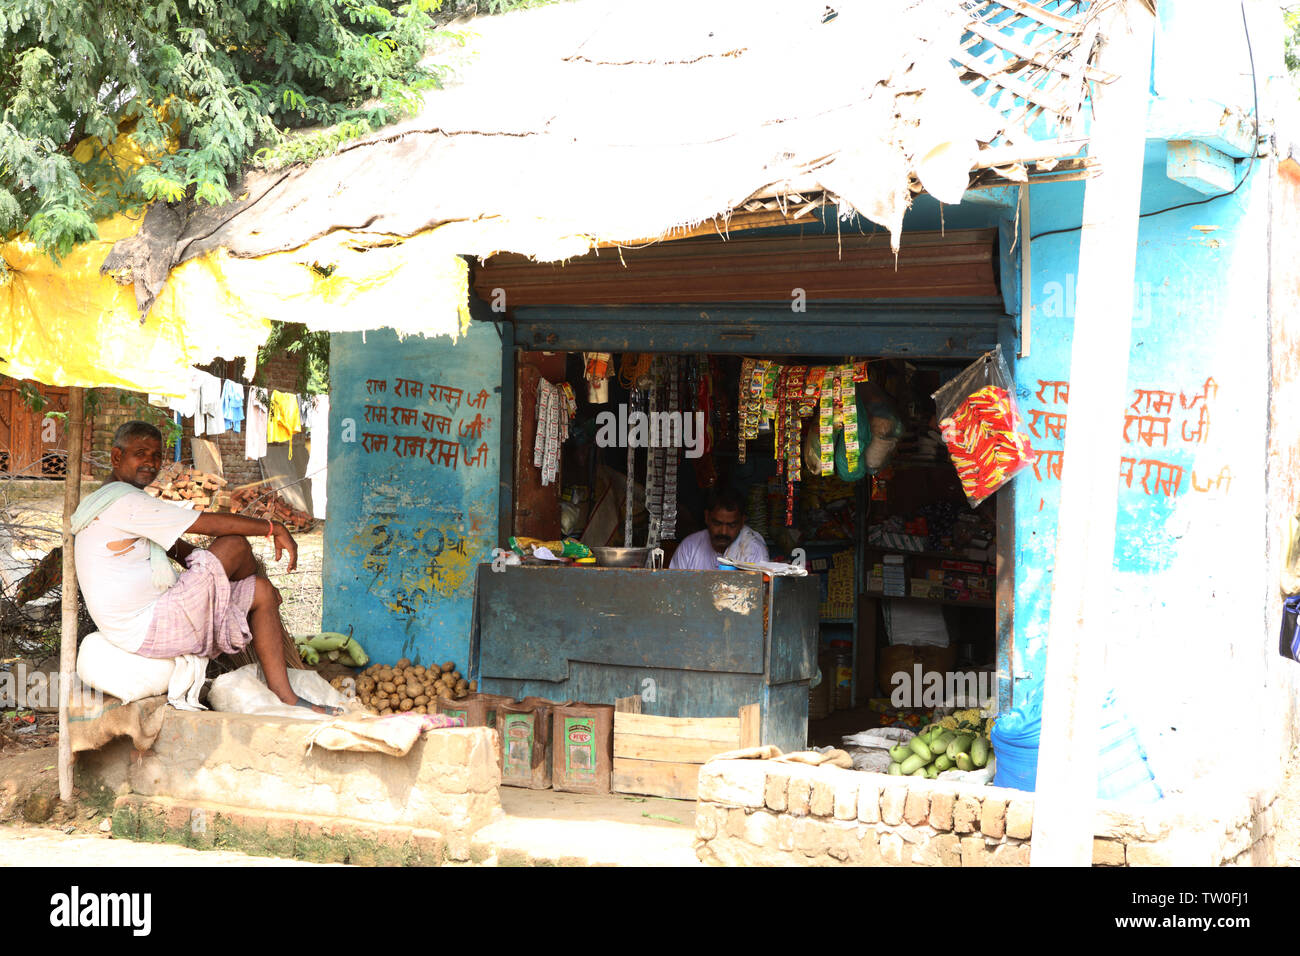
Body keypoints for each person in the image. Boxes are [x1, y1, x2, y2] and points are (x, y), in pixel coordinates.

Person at [72, 420, 337, 714]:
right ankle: (242, 604)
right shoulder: (126, 503)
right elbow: (208, 524)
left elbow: (178, 549)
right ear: (116, 457)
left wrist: (224, 582)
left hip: (149, 622)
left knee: (261, 591)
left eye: (156, 455)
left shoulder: (106, 500)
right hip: (149, 628)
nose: (150, 462)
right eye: (140, 453)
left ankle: (287, 696)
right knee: (234, 545)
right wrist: (272, 528)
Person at [669, 486, 769, 570]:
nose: (723, 532)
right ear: (707, 517)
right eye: (717, 523)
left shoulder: (754, 551)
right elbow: (674, 584)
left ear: (742, 521)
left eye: (731, 525)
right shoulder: (689, 547)